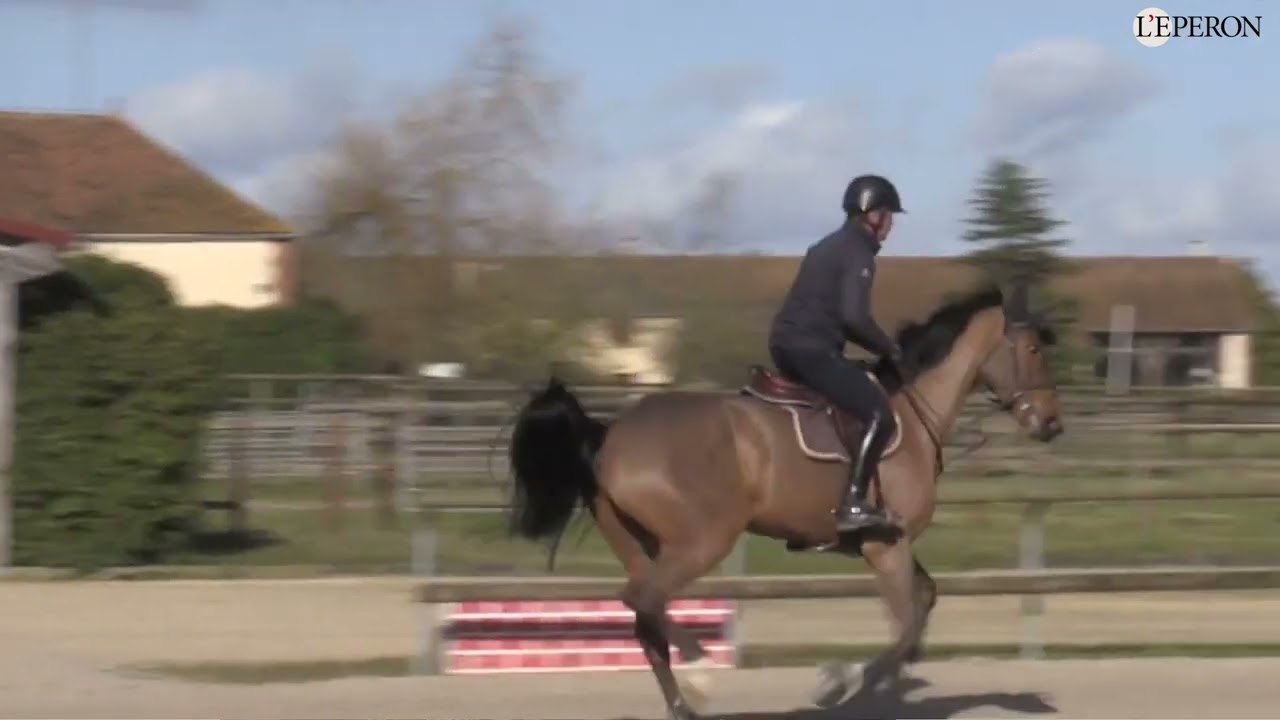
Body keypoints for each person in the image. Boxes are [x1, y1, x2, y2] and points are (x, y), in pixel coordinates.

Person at [767, 174, 906, 534]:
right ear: (872, 215)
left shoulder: (826, 246)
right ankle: (854, 504)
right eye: (889, 215)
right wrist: (889, 348)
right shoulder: (858, 252)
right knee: (879, 413)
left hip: (787, 345)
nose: (891, 224)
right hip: (811, 349)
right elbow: (854, 317)